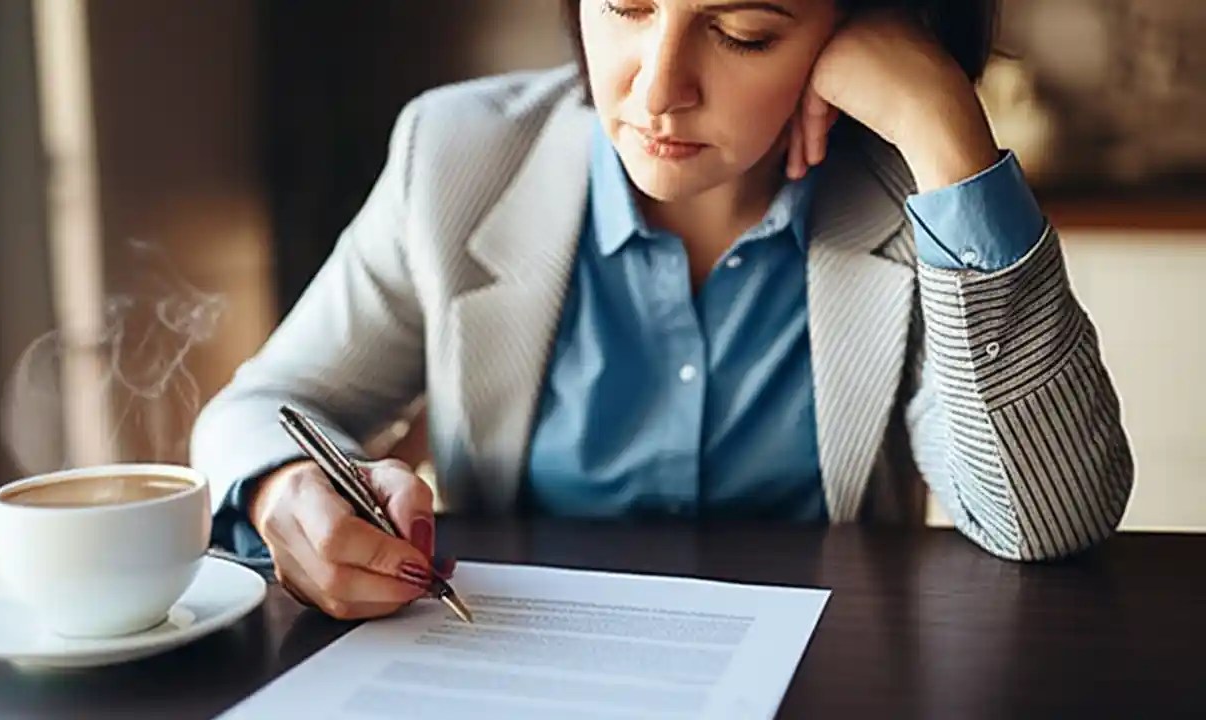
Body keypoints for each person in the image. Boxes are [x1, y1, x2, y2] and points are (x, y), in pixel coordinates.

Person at [191, 0, 1133, 621]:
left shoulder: (909, 194)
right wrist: (283, 491)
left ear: (854, 30)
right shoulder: (455, 154)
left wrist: (944, 125)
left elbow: (1045, 518)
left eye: (744, 32)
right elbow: (260, 407)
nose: (656, 88)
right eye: (626, 6)